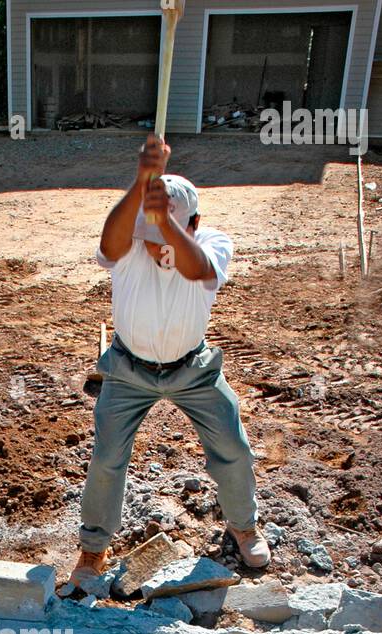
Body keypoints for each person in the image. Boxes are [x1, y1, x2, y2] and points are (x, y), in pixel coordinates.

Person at [71, 135, 269, 586]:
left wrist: (166, 225)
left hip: (193, 369)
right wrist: (142, 181)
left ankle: (243, 525)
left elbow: (197, 268)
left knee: (233, 449)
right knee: (106, 459)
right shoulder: (128, 244)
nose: (153, 244)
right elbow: (110, 239)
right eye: (148, 233)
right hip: (127, 368)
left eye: (163, 234)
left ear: (194, 224)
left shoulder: (212, 244)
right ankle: (92, 550)